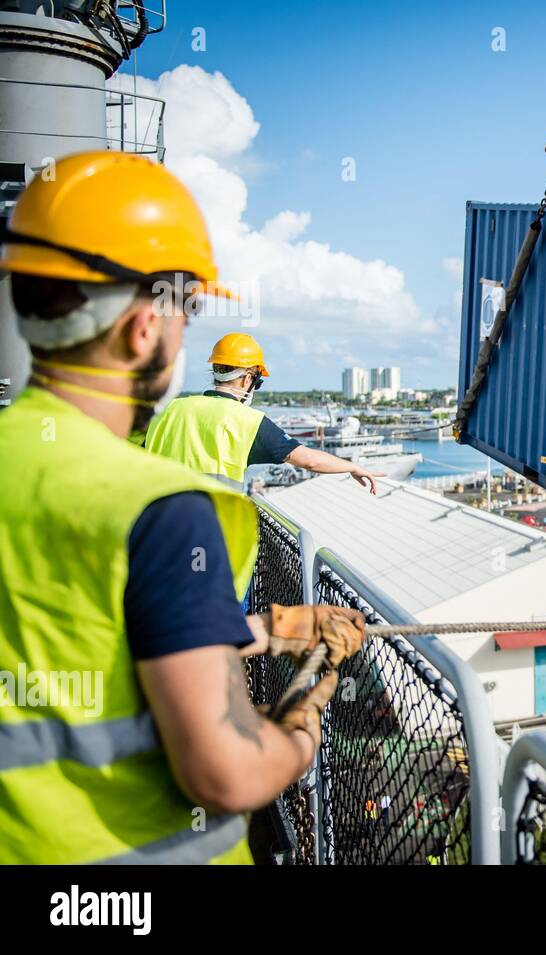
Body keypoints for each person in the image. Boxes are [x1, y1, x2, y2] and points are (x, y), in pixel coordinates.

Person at [0, 150, 366, 864]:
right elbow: (224, 771)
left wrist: (269, 628)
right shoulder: (164, 512)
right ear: (143, 328)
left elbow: (93, 638)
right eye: (185, 310)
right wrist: (304, 711)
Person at [145, 331, 383, 493]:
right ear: (249, 377)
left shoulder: (169, 409)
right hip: (208, 533)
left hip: (149, 529)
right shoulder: (249, 421)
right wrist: (353, 466)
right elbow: (309, 460)